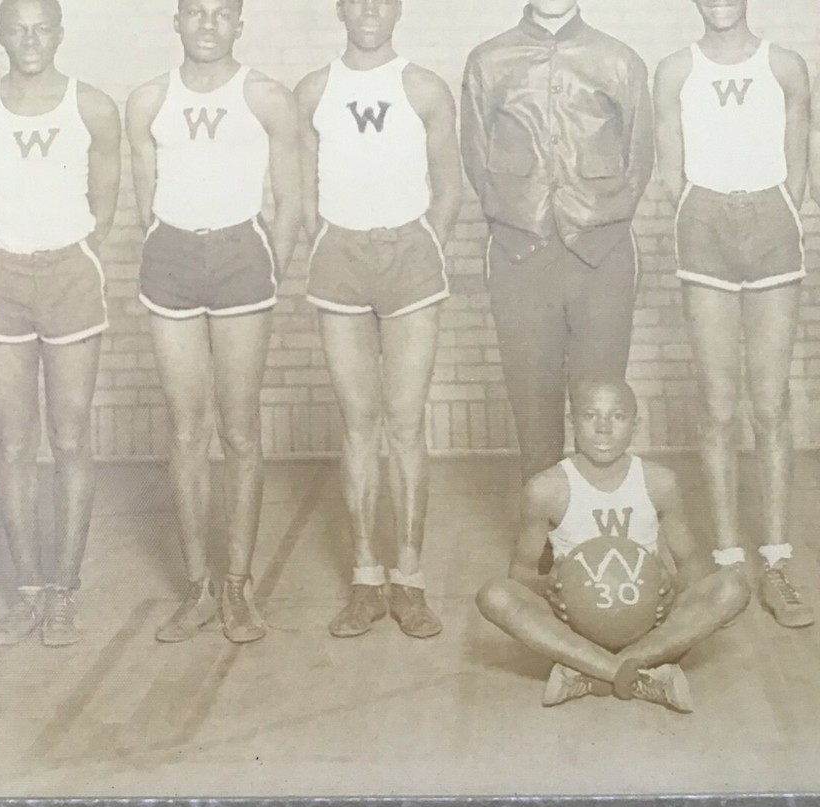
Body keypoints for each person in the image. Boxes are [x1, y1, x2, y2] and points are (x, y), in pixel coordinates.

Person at [127, 0, 301, 644]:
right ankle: (197, 586)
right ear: (176, 21)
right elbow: (146, 198)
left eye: (221, 13)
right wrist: (172, 245)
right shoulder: (147, 100)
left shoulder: (266, 97)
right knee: (185, 429)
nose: (207, 24)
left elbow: (291, 201)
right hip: (171, 257)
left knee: (240, 428)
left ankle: (238, 587)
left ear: (238, 23)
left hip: (240, 259)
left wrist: (266, 265)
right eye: (195, 12)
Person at [0, 0, 121, 648]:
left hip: (70, 275)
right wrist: (8, 252)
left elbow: (105, 202)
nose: (29, 40)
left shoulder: (92, 106)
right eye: (17, 29)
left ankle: (64, 592)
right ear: (1, 35)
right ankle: (26, 590)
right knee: (15, 442)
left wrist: (66, 252)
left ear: (59, 33)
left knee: (71, 437)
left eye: (41, 28)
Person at [295, 0, 460, 639]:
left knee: (405, 420)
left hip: (410, 259)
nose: (368, 9)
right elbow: (302, 189)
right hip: (340, 257)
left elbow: (449, 187)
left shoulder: (423, 87)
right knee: (359, 421)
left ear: (398, 8)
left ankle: (410, 579)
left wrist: (426, 244)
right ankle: (367, 577)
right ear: (340, 8)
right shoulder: (314, 89)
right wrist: (324, 241)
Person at [653, 0, 812, 628]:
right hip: (705, 228)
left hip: (772, 223)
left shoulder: (787, 66)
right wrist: (706, 211)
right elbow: (671, 172)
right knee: (718, 404)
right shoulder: (673, 70)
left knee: (769, 402)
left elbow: (798, 163)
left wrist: (775, 212)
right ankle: (725, 560)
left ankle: (774, 560)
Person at [461, 1, 654, 494]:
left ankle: (598, 528)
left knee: (601, 403)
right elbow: (476, 157)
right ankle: (542, 534)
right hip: (519, 253)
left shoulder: (619, 59)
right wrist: (518, 218)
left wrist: (594, 220)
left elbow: (639, 160)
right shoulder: (488, 60)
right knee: (532, 402)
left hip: (601, 252)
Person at [476, 380, 749, 712]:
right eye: (590, 415)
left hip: (648, 622)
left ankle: (590, 672)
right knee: (494, 595)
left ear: (635, 425)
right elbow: (519, 574)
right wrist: (548, 587)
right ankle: (639, 675)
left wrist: (669, 588)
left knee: (732, 586)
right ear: (572, 422)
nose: (603, 428)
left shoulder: (659, 481)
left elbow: (691, 564)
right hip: (574, 625)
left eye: (617, 416)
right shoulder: (546, 488)